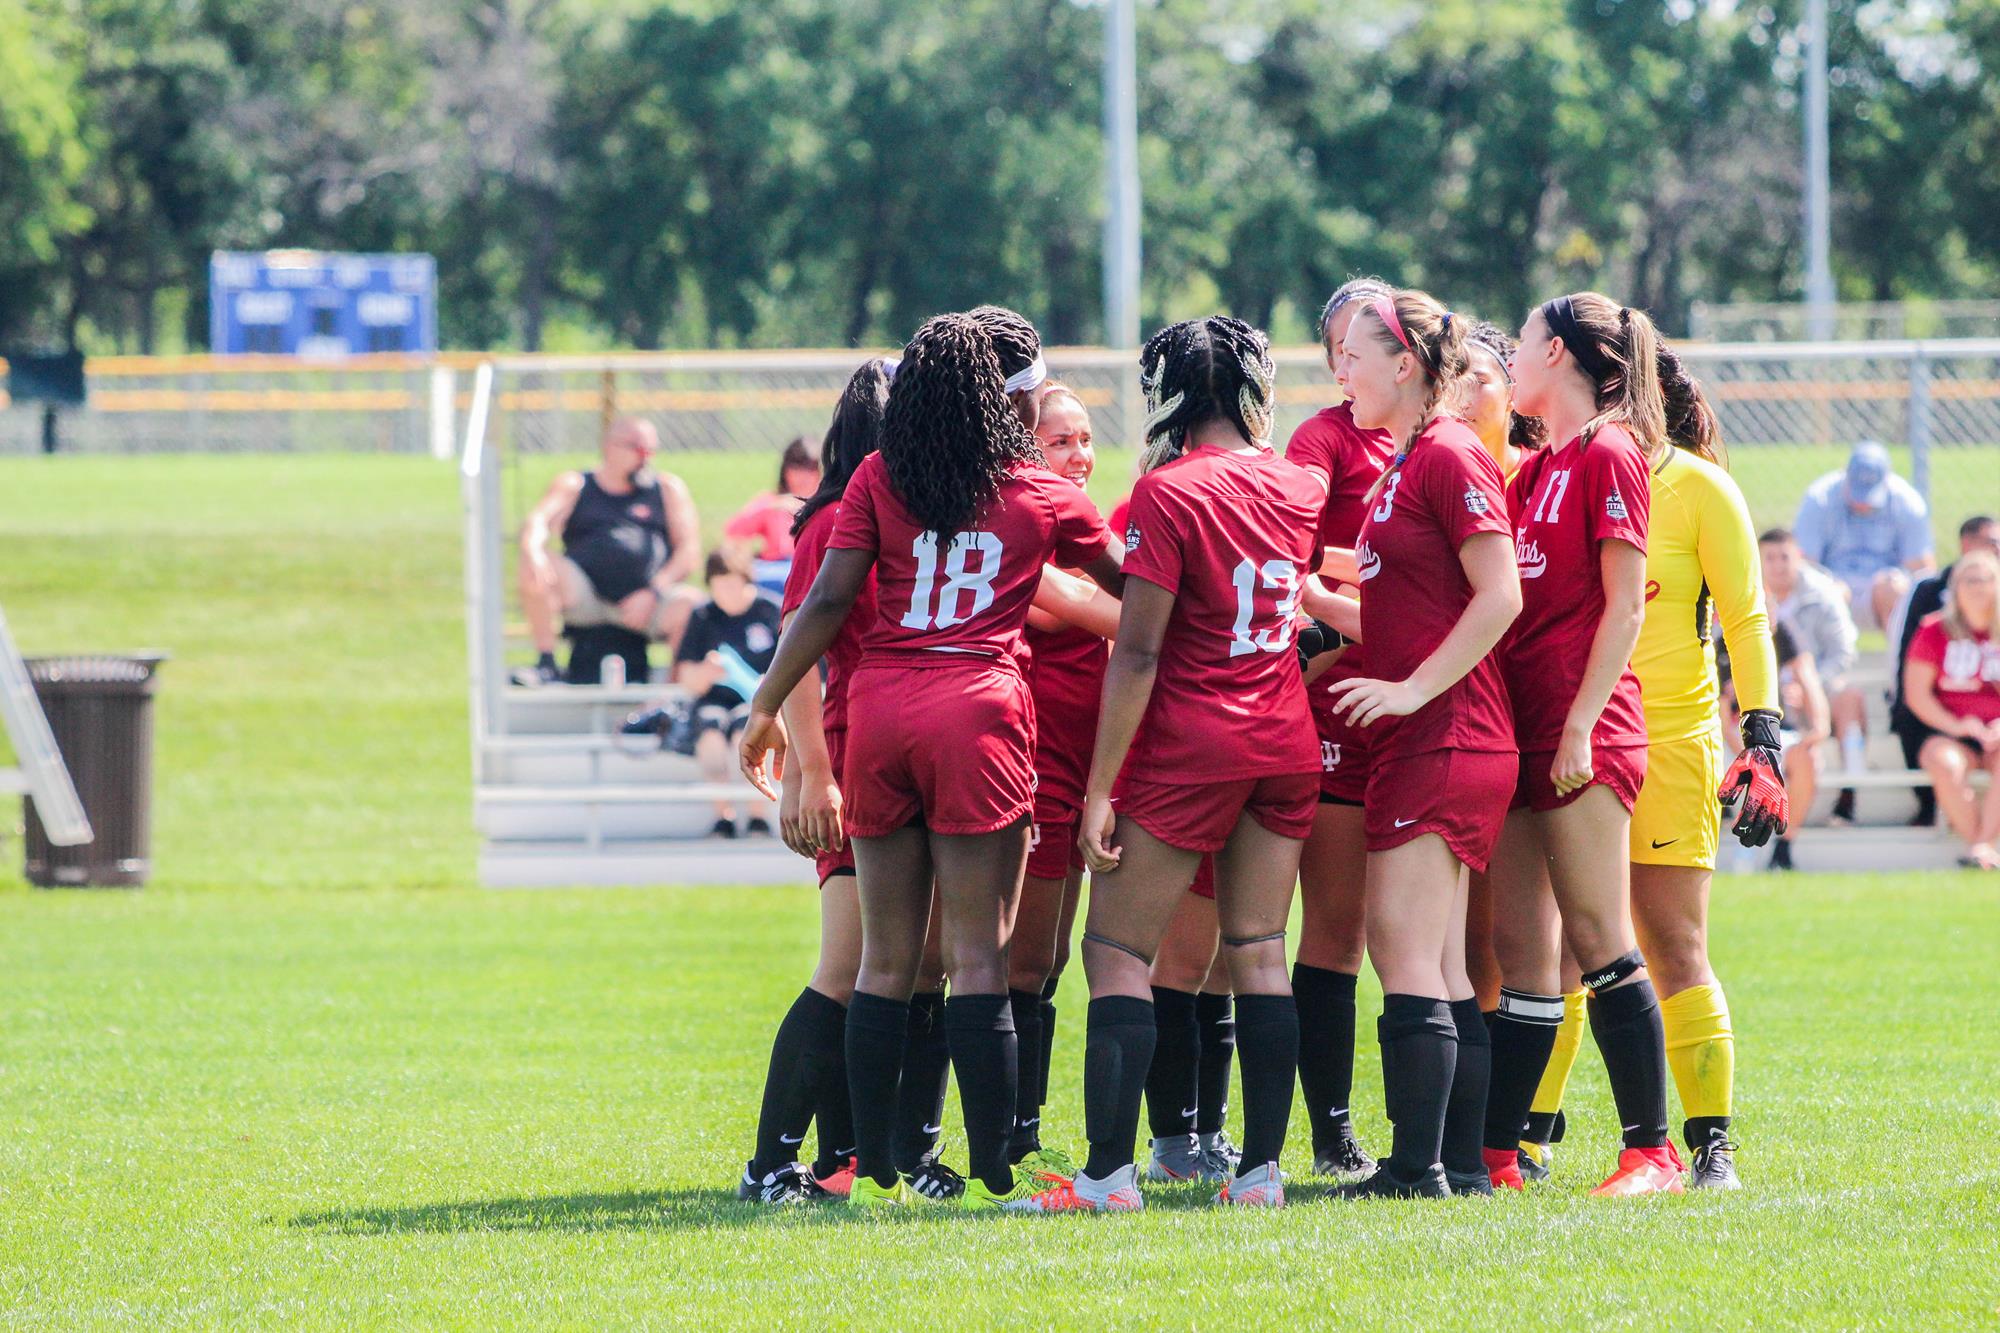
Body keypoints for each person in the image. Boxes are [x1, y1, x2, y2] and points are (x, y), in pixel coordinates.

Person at [740, 312, 1122, 1211]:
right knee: (977, 959)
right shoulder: (1032, 486)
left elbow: (829, 600)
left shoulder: (875, 478)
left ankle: (873, 1160)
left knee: (883, 960)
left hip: (878, 710)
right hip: (979, 708)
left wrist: (765, 705)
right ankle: (990, 1161)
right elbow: (1127, 575)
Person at [1023, 314, 1318, 1214]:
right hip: (1284, 735)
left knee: (1113, 951)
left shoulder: (1169, 491)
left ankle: (1109, 1176)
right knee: (1262, 953)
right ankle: (1261, 1173)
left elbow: (1140, 651)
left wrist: (1100, 790)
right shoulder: (1299, 482)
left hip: (1196, 740)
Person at [1535, 343, 1784, 1191]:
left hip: (1674, 740)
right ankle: (1530, 1135)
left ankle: (1709, 1141)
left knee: (1674, 941)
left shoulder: (1698, 486)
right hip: (1585, 738)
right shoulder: (1557, 472)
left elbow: (1746, 619)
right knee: (1567, 944)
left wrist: (1764, 734)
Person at [1481, 291, 1679, 1200]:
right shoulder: (1531, 469)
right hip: (1518, 731)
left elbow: (1628, 603)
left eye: (1520, 342)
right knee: (1523, 953)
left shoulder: (1609, 450)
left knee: (1600, 936)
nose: (1512, 359)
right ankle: (1495, 1154)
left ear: (1556, 352)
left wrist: (1578, 725)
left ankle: (1654, 1153)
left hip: (1582, 731)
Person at [1326, 290, 1521, 1200]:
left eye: (1355, 356)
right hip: (1432, 733)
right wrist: (1312, 606)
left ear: (1405, 364)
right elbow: (1409, 611)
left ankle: (1414, 1169)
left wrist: (1408, 688)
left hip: (1449, 733)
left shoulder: (1445, 452)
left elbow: (1500, 595)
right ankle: (1454, 1168)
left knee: (1402, 948)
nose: (1342, 372)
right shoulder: (1405, 461)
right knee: (1437, 962)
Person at [737, 361, 889, 1206]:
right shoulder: (836, 516)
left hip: (883, 755)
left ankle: (846, 1157)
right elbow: (799, 642)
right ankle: (770, 1165)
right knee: (847, 963)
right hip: (850, 758)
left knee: (877, 963)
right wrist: (814, 773)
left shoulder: (887, 512)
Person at [1282, 277, 1396, 1181]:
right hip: (1340, 699)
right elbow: (1293, 549)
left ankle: (1471, 1132)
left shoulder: (1442, 435)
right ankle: (1329, 1129)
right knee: (1337, 928)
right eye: (1346, 344)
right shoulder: (1323, 439)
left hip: (1432, 698)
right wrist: (1381, 580)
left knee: (1424, 935)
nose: (1356, 358)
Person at [1007, 379, 1119, 1182]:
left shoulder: (1088, 524)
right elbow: (1065, 604)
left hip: (1085, 771)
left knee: (1049, 963)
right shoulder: (1025, 530)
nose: (1078, 454)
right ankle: (1005, 1133)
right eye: (1059, 441)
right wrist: (1172, 607)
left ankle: (1026, 1122)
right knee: (1022, 959)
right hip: (1035, 765)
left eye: (1085, 439)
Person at [517, 416, 702, 684]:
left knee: (691, 603)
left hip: (648, 601)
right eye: (638, 449)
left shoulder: (666, 489)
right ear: (610, 447)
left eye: (651, 450)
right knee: (534, 563)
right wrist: (533, 549)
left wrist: (653, 591)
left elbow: (689, 553)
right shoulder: (576, 485)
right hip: (586, 598)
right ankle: (546, 664)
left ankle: (671, 697)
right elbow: (538, 521)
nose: (646, 458)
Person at [1892, 516, 2000, 825]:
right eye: (1970, 580)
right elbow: (1916, 694)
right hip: (1948, 730)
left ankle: (1983, 847)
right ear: (1955, 587)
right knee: (1945, 764)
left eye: (1986, 580)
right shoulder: (1933, 630)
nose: (1978, 588)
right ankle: (1978, 845)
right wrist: (1958, 726)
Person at [674, 547, 782, 837]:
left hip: (760, 702)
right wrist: (706, 672)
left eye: (732, 585)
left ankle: (757, 816)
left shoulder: (771, 612)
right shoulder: (703, 616)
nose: (726, 594)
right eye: (719, 586)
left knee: (744, 731)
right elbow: (686, 677)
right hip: (714, 699)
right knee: (710, 731)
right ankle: (724, 816)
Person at [1758, 528, 1864, 823]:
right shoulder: (1746, 594)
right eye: (1770, 558)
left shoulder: (1824, 593)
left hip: (1820, 686)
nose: (1778, 565)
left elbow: (1843, 652)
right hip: (1762, 692)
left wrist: (1810, 688)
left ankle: (1849, 793)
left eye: (1785, 556)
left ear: (1799, 556)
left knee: (1850, 698)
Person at [1792, 440, 1934, 632]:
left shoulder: (1907, 503)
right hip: (1835, 584)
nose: (1863, 504)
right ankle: (1824, 661)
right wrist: (1830, 586)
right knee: (1825, 591)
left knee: (1895, 589)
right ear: (1845, 475)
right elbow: (1805, 564)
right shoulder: (1819, 498)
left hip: (1882, 589)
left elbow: (1922, 570)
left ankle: (1900, 659)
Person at [724, 435, 822, 589]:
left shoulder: (827, 505)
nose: (803, 476)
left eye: (810, 469)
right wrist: (773, 506)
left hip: (809, 569)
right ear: (785, 471)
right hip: (772, 570)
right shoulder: (772, 501)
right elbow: (733, 531)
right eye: (796, 467)